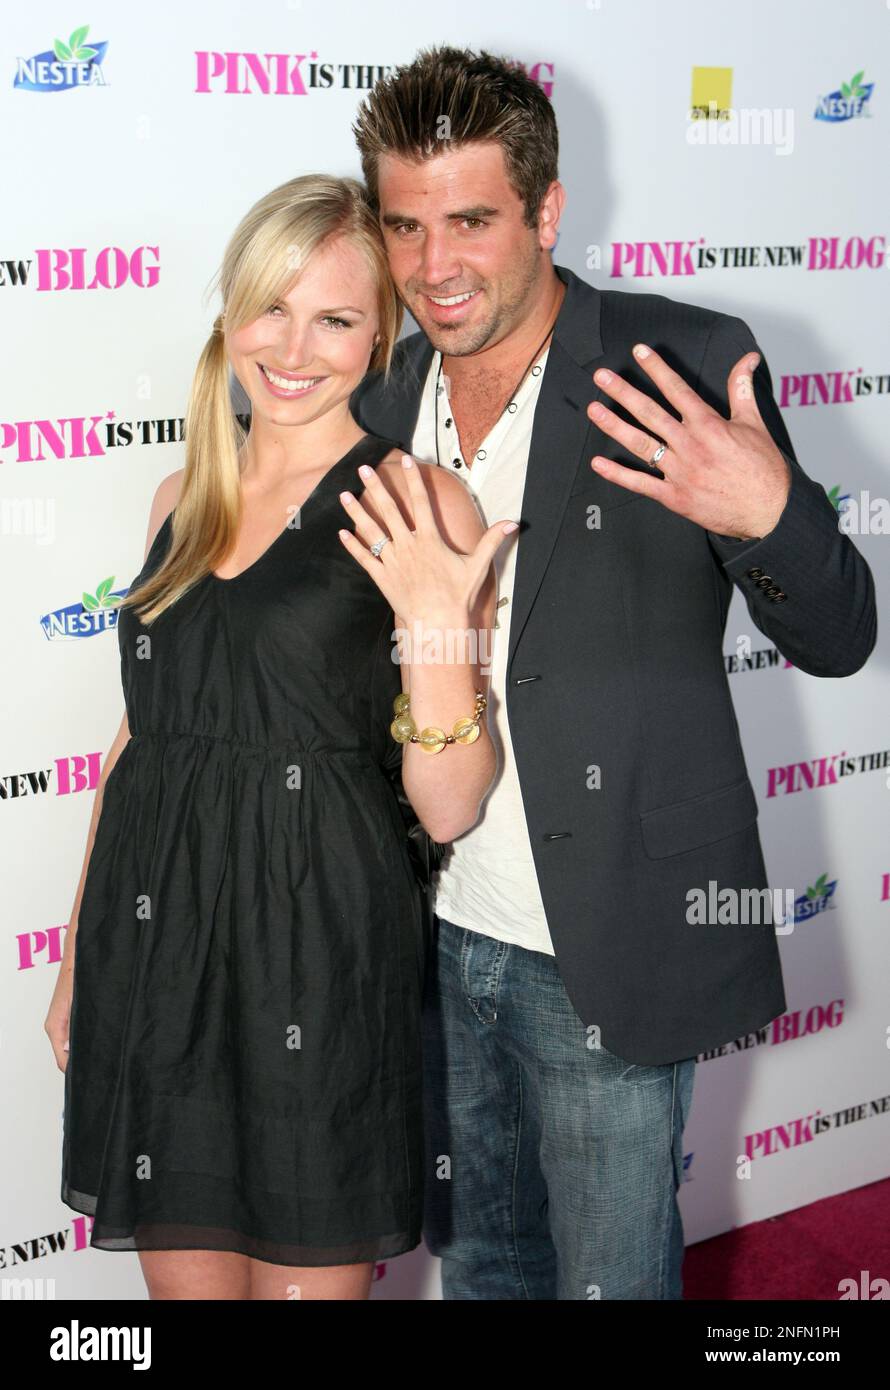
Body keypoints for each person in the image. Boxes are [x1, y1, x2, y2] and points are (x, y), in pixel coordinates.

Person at [350, 47, 878, 1300]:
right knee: (480, 1269)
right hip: (424, 933)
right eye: (405, 226)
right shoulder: (376, 380)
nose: (433, 267)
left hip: (611, 939)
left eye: (471, 221)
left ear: (545, 211)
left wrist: (767, 514)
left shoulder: (677, 362)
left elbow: (841, 634)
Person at [46, 172, 512, 1300]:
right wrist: (77, 960)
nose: (294, 346)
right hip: (158, 944)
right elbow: (136, 746)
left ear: (380, 335)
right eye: (271, 307)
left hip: (317, 950)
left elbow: (448, 803)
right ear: (230, 313)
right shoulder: (177, 498)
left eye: (337, 317)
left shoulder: (414, 501)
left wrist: (439, 619)